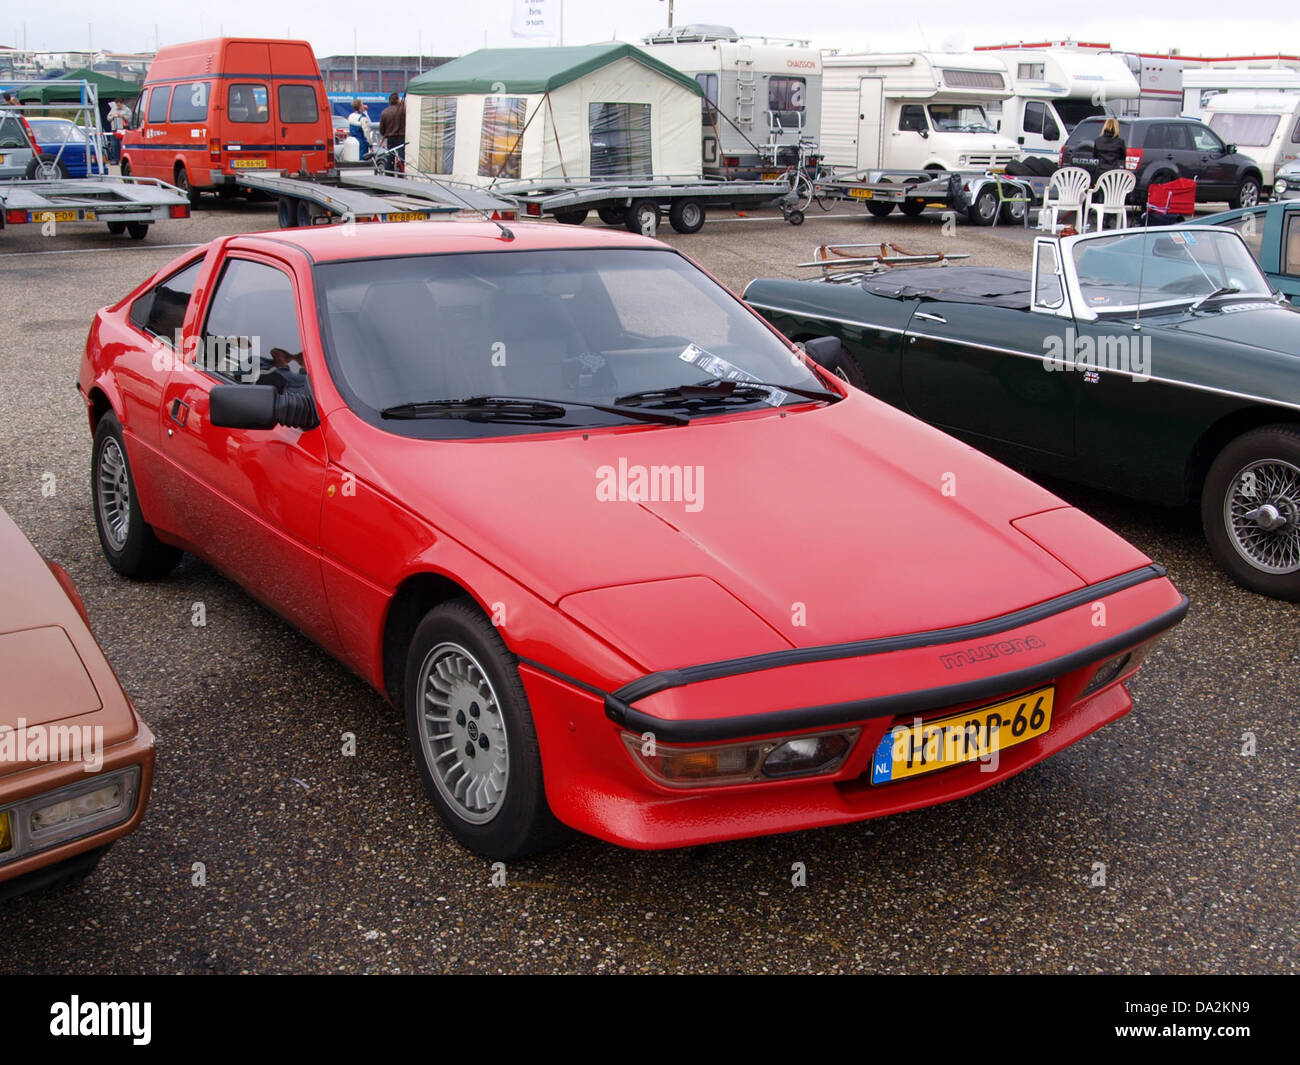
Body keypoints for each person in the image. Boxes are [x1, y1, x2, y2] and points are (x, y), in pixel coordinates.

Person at [377, 92, 406, 173]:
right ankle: (401, 175)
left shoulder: (385, 112)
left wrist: (385, 135)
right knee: (402, 159)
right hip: (402, 137)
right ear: (398, 100)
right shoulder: (404, 110)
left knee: (390, 158)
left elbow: (382, 128)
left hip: (390, 138)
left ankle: (389, 175)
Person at [106, 98, 132, 164]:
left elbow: (130, 119)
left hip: (122, 129)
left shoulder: (127, 110)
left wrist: (122, 116)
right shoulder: (113, 109)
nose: (118, 105)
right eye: (117, 104)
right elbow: (108, 118)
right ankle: (116, 160)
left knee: (122, 145)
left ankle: (122, 160)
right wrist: (113, 116)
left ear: (122, 103)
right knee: (114, 145)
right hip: (114, 129)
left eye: (119, 104)